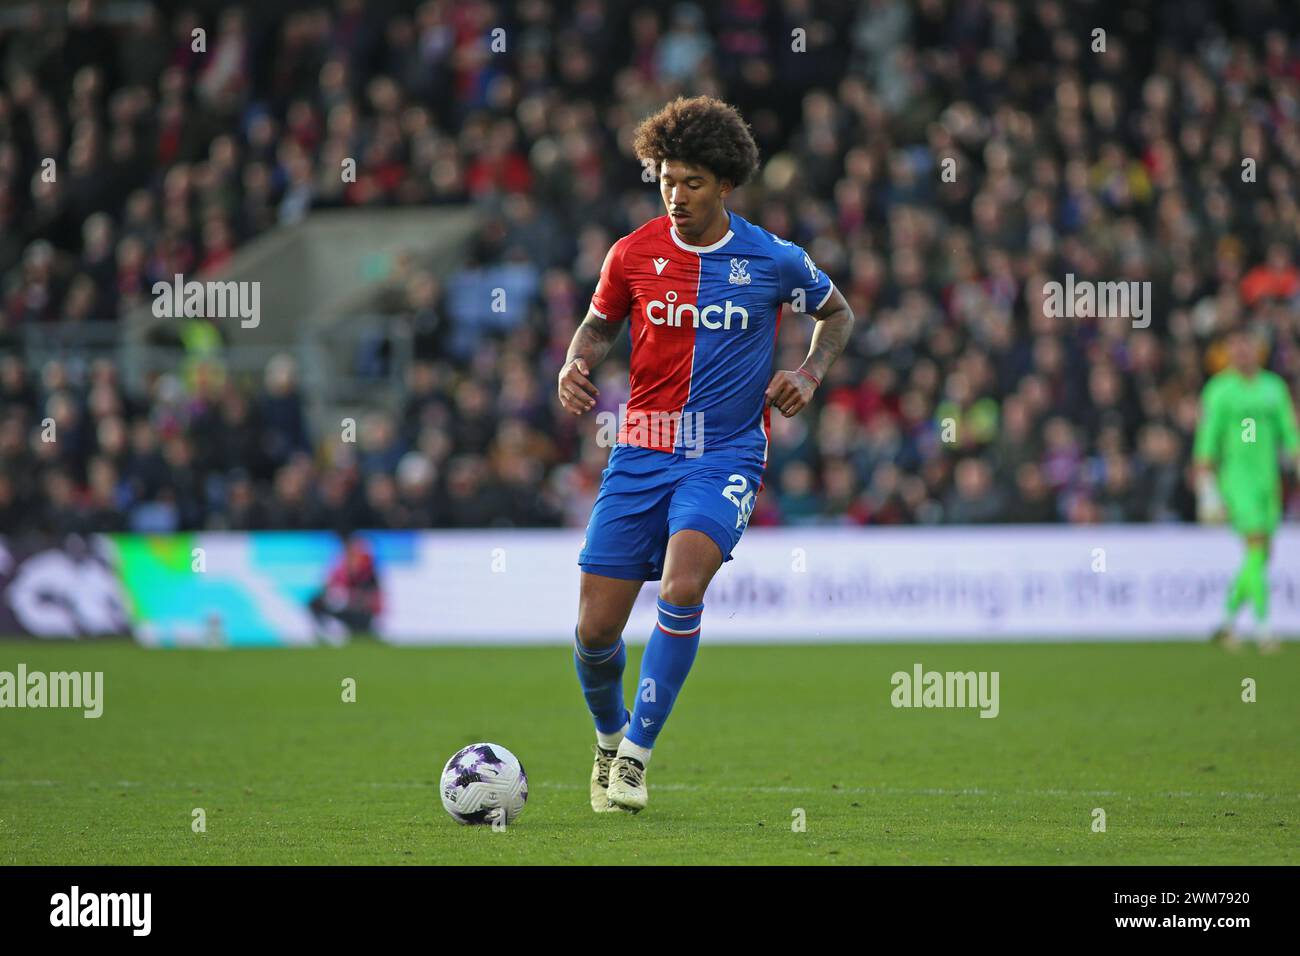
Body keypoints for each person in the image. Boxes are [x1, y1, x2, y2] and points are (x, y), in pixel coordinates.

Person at [556, 96, 856, 812]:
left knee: (682, 587)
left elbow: (837, 312)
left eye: (692, 182)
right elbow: (597, 326)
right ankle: (609, 738)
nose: (676, 195)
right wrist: (574, 363)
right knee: (594, 632)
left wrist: (808, 374)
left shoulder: (772, 258)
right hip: (641, 449)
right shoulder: (631, 254)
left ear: (725, 183)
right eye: (667, 179)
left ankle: (636, 758)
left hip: (724, 454)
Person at [1194, 326, 1299, 652]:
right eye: (1235, 348)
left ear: (1258, 350)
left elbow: (1289, 431)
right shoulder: (1219, 390)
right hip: (1237, 480)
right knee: (1255, 546)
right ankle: (1264, 628)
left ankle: (1227, 622)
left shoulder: (1273, 387)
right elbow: (1207, 437)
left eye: (1246, 346)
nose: (1241, 353)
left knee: (1262, 554)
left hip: (1269, 480)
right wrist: (1207, 487)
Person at [308, 535, 383, 643]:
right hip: (343, 605)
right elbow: (328, 586)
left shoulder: (367, 571)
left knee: (361, 632)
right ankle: (328, 632)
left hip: (360, 610)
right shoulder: (340, 568)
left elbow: (372, 595)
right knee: (315, 602)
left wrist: (353, 596)